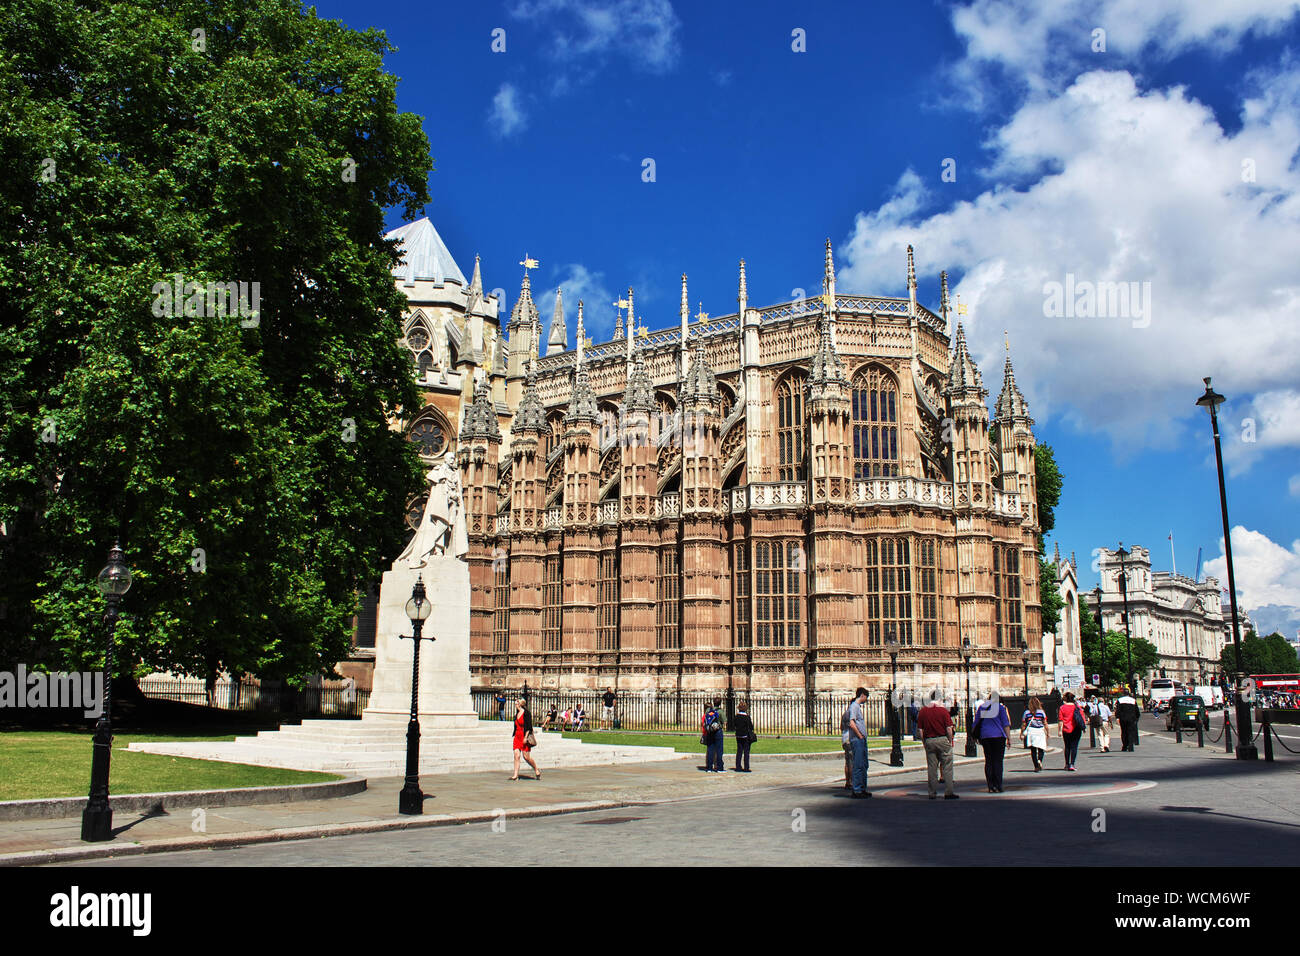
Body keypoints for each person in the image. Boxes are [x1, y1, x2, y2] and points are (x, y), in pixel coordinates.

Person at [918, 691, 959, 799]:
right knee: (947, 767)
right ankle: (949, 792)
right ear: (940, 699)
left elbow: (921, 730)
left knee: (932, 768)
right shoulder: (943, 711)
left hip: (929, 740)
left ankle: (932, 793)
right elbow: (949, 729)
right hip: (942, 739)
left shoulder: (923, 711)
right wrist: (950, 741)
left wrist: (924, 742)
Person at [973, 693, 1011, 792]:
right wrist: (1009, 738)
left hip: (985, 736)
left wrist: (975, 736)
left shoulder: (982, 707)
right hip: (998, 736)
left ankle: (990, 786)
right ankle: (998, 784)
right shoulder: (1001, 708)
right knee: (998, 761)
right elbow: (1005, 724)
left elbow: (976, 722)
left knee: (989, 761)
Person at [847, 687, 871, 798]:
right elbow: (851, 723)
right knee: (858, 764)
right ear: (862, 695)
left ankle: (862, 788)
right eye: (866, 696)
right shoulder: (854, 707)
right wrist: (860, 735)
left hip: (861, 739)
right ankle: (856, 790)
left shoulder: (857, 707)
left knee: (864, 765)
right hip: (857, 740)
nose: (866, 699)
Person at [510, 698, 540, 780]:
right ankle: (515, 775)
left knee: (526, 757)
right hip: (517, 736)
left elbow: (529, 727)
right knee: (516, 755)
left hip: (524, 736)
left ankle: (536, 769)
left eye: (516, 703)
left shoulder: (526, 713)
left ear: (520, 704)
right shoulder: (517, 713)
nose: (515, 705)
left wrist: (525, 737)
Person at [1058, 691, 1087, 771]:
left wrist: (1059, 731)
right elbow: (1082, 717)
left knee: (1067, 747)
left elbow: (1060, 720)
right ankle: (1072, 764)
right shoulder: (1077, 707)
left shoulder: (1062, 707)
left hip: (1066, 729)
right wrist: (1083, 727)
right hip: (1076, 729)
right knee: (1074, 747)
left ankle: (1066, 764)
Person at [1021, 696, 1049, 771]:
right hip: (1040, 730)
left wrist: (1021, 733)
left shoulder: (1026, 713)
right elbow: (1045, 723)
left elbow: (1024, 724)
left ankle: (1036, 766)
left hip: (1031, 731)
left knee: (1033, 750)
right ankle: (1040, 760)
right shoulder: (1041, 712)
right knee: (1041, 748)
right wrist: (1048, 732)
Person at [701, 698, 726, 772]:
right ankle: (719, 768)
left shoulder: (708, 711)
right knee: (719, 750)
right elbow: (724, 722)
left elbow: (705, 719)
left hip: (709, 732)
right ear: (720, 703)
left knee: (710, 749)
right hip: (718, 731)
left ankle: (709, 767)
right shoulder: (720, 711)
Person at [733, 701, 756, 772]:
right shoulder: (747, 717)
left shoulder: (736, 717)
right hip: (746, 736)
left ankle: (738, 766)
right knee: (746, 752)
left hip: (738, 735)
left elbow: (734, 725)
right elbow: (751, 727)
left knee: (739, 751)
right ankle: (746, 767)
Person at [840, 698, 854, 790]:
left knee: (847, 761)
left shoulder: (845, 713)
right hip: (850, 738)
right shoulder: (851, 713)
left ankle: (847, 781)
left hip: (844, 738)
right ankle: (852, 782)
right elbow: (854, 726)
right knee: (852, 761)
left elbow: (841, 727)